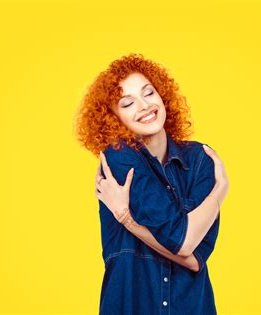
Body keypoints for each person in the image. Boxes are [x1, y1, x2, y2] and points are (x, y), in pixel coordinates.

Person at [74, 53, 229, 314]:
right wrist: (221, 190)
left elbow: (193, 258)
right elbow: (182, 242)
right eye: (127, 103)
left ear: (162, 96)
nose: (144, 105)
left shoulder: (200, 159)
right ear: (114, 119)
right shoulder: (119, 159)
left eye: (148, 93)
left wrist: (127, 219)